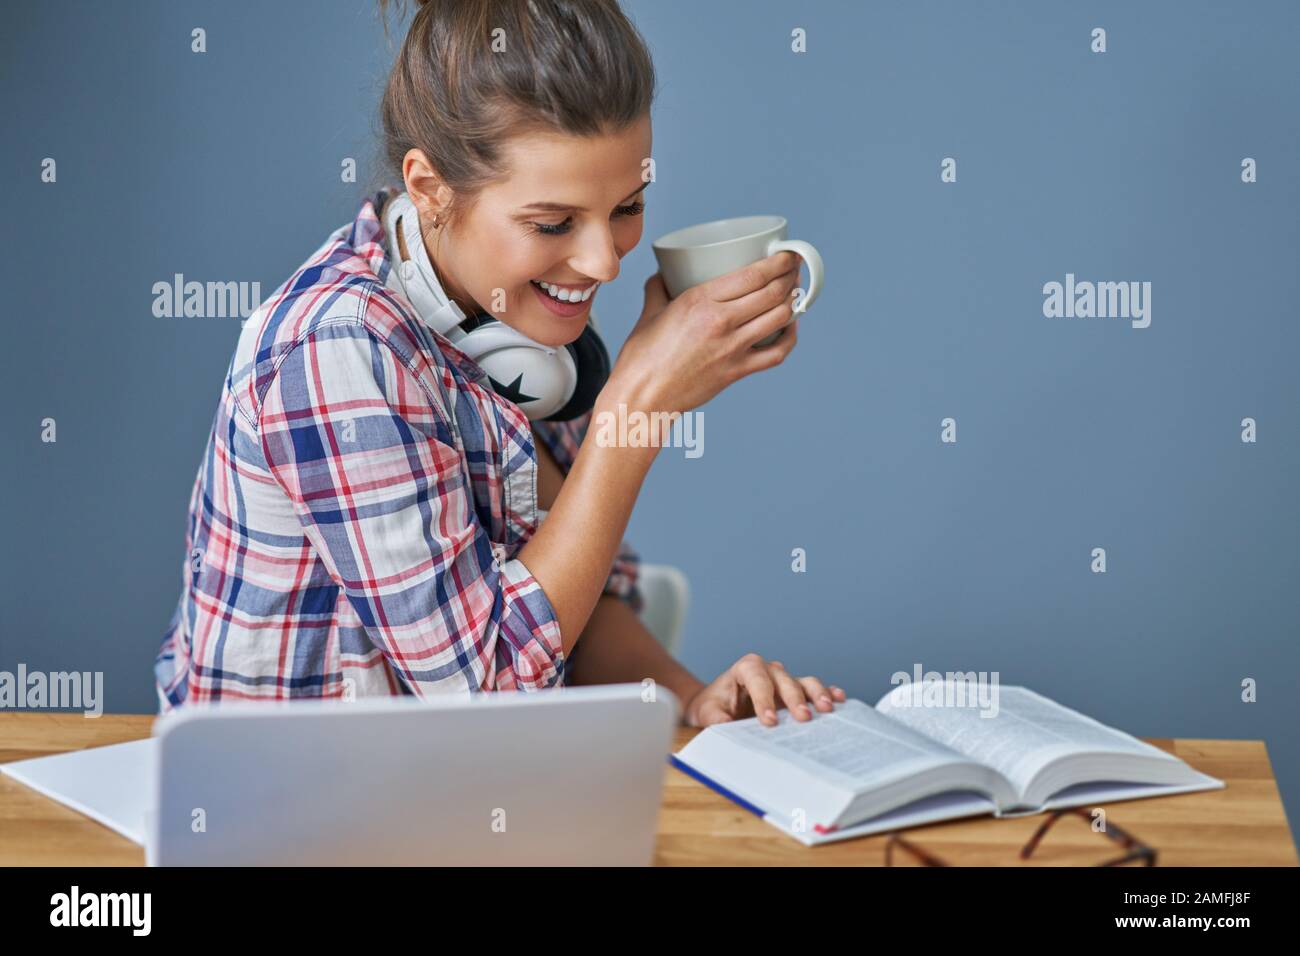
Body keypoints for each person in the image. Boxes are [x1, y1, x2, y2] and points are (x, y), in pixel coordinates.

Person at [154, 0, 846, 728]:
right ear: (429, 190)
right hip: (286, 819)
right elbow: (485, 693)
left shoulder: (519, 321)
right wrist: (634, 414)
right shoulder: (338, 348)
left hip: (453, 803)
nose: (604, 262)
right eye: (553, 224)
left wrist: (687, 697)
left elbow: (570, 607)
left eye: (627, 207)